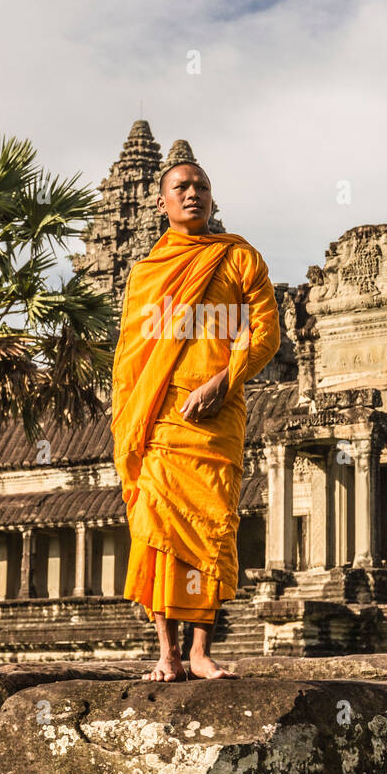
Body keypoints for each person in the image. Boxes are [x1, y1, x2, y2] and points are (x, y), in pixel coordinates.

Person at [111, 160, 281, 681]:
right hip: (161, 423)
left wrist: (224, 381)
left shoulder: (238, 258)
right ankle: (166, 653)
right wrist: (133, 421)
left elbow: (264, 334)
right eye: (181, 188)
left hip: (217, 418)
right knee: (158, 535)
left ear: (213, 197)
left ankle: (201, 651)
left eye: (202, 187)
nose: (193, 195)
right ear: (160, 202)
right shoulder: (146, 275)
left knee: (212, 530)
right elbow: (130, 362)